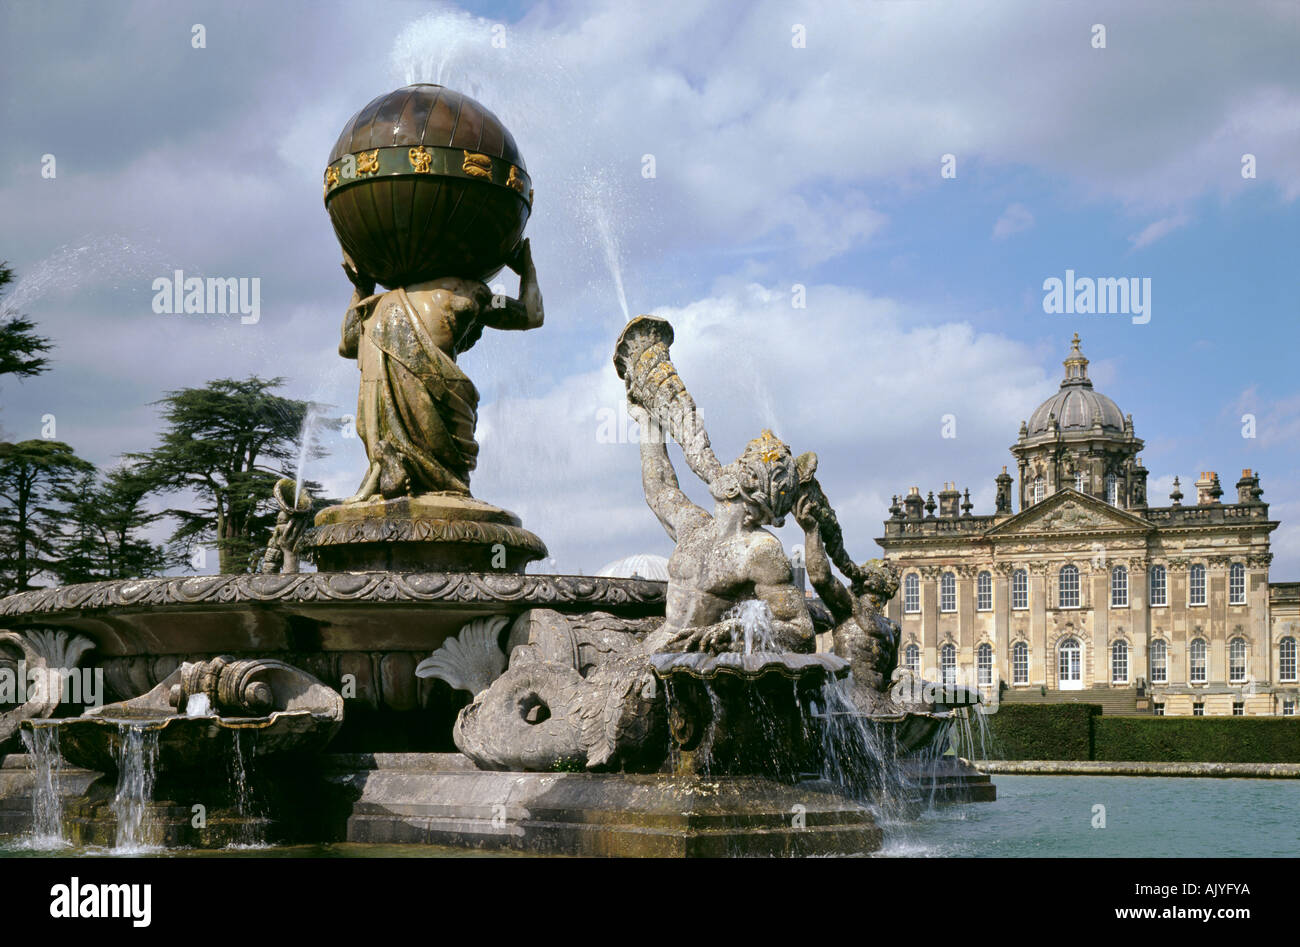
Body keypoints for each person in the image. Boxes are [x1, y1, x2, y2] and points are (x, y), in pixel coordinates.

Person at [338, 240, 543, 501]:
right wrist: (527, 268)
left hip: (377, 318)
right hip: (443, 402)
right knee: (454, 487)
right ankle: (419, 467)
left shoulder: (375, 308)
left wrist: (361, 288)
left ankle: (394, 458)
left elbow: (346, 343)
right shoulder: (469, 292)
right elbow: (531, 314)